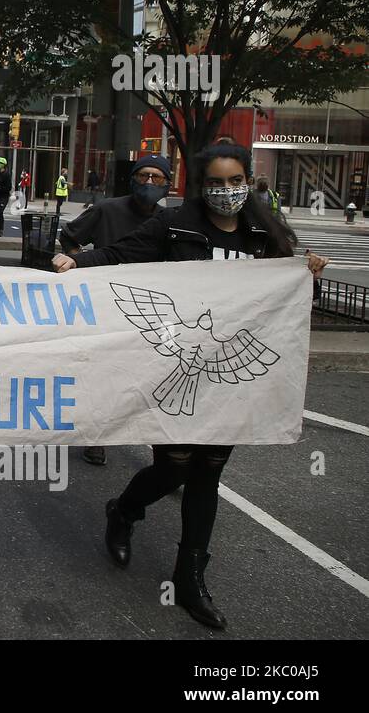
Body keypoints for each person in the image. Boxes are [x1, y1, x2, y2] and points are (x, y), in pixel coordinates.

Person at [53, 143, 328, 630]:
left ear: (249, 179)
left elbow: (293, 295)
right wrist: (80, 263)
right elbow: (123, 255)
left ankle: (190, 576)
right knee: (176, 465)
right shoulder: (175, 225)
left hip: (229, 382)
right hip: (177, 367)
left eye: (235, 179)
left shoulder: (265, 235)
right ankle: (125, 510)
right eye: (216, 183)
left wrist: (311, 274)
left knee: (209, 471)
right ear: (202, 186)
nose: (227, 191)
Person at [58, 154, 174, 467]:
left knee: (156, 378)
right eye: (143, 175)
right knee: (105, 373)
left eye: (157, 177)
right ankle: (97, 437)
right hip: (106, 305)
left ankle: (167, 458)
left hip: (150, 311)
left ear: (168, 183)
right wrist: (78, 267)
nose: (149, 183)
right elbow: (70, 237)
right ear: (133, 178)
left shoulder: (167, 221)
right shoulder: (107, 209)